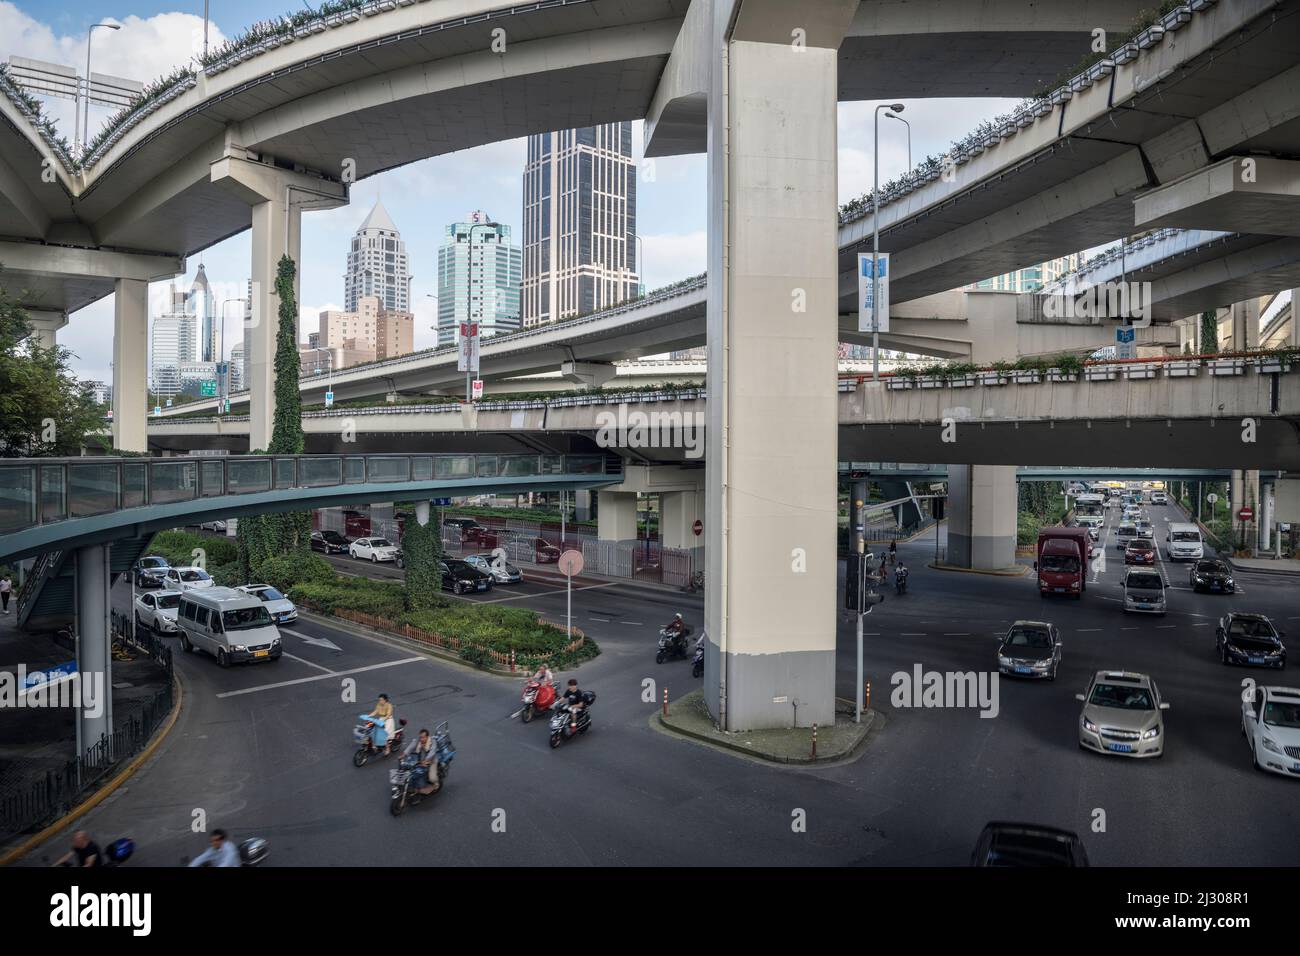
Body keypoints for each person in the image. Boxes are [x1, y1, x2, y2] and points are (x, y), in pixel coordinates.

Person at [404, 728, 439, 794]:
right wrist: (404, 754)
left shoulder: (432, 741)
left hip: (432, 760)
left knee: (432, 778)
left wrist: (426, 760)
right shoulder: (418, 741)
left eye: (423, 737)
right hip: (421, 760)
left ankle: (436, 784)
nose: (421, 739)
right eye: (420, 737)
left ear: (427, 737)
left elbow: (433, 751)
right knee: (412, 771)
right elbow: (411, 746)